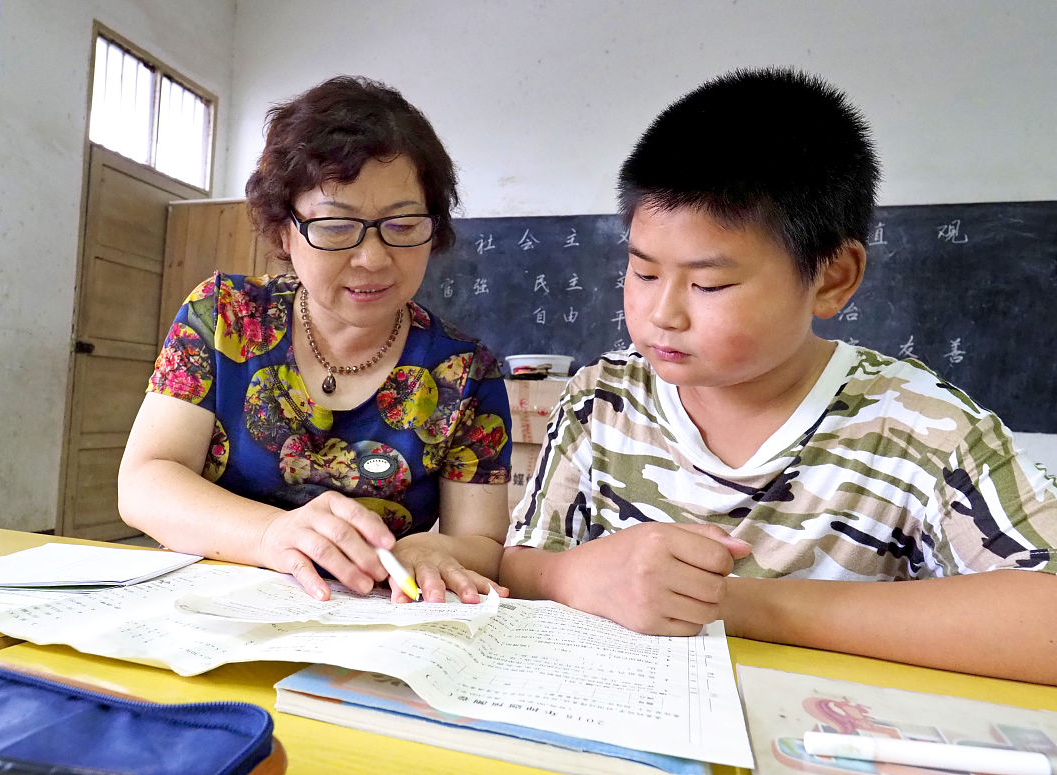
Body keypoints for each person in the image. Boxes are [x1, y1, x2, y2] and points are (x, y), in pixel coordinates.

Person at [499, 67, 1057, 685]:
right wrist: (572, 574)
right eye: (644, 273)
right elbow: (522, 564)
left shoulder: (921, 428)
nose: (662, 315)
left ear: (833, 278)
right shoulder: (601, 401)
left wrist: (731, 604)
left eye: (710, 284)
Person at [119, 76, 511, 604]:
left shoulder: (465, 373)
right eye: (335, 226)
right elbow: (145, 481)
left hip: (367, 619)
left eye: (402, 225)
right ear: (285, 230)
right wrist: (270, 534)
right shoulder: (226, 316)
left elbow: (481, 541)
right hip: (210, 608)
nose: (372, 258)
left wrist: (433, 550)